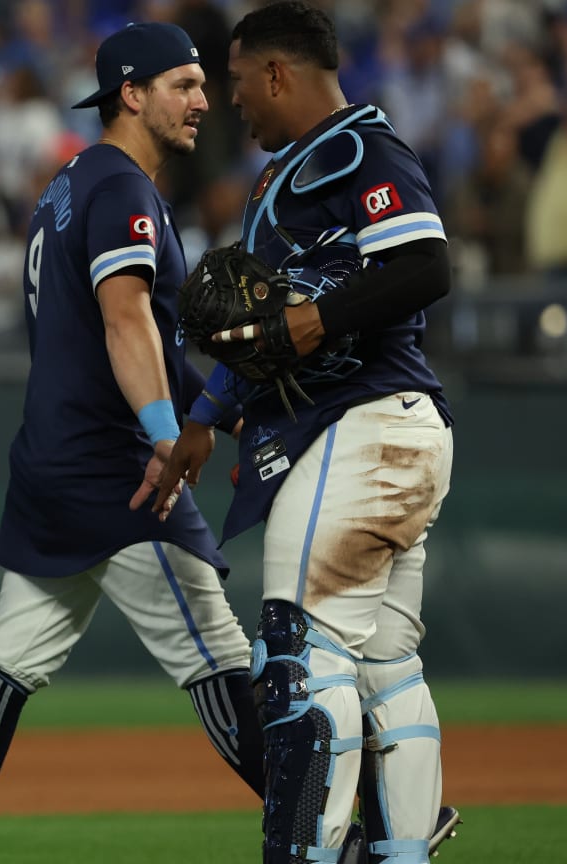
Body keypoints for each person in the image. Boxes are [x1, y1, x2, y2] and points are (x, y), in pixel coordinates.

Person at [0, 24, 264, 864]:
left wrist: (234, 415)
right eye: (184, 84)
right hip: (119, 469)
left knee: (5, 659)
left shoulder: (72, 182)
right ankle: (344, 831)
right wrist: (167, 437)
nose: (204, 100)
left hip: (54, 459)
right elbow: (125, 319)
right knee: (219, 656)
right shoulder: (122, 185)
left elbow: (137, 337)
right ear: (131, 93)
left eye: (202, 84)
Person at [152, 3, 461, 861]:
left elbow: (428, 263)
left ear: (279, 73)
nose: (229, 100)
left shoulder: (359, 147)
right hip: (389, 433)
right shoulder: (283, 175)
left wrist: (313, 322)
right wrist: (206, 416)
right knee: (387, 664)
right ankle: (402, 851)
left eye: (239, 80)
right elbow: (264, 335)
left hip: (363, 424)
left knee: (298, 656)